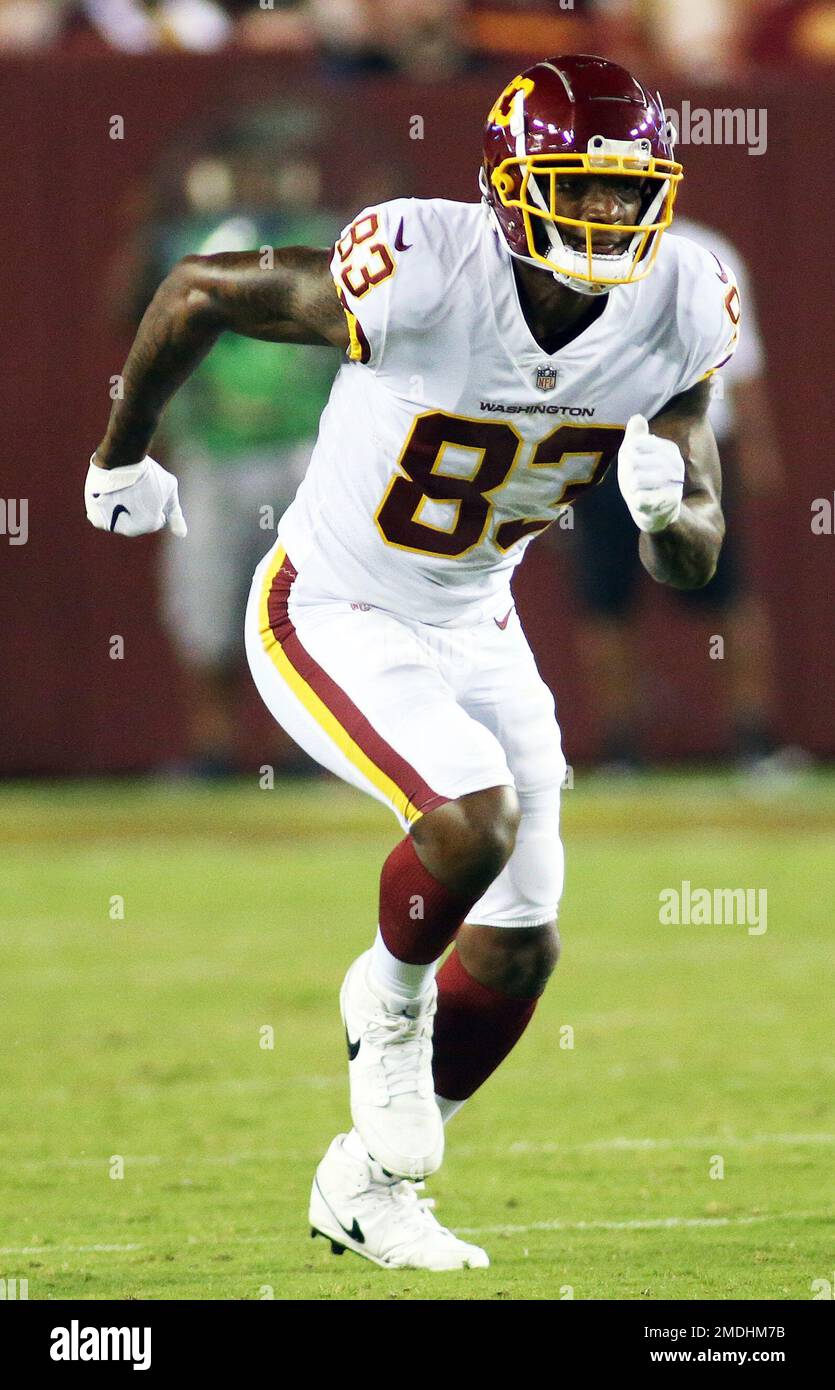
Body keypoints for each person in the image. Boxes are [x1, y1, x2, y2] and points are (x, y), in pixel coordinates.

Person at [85, 54, 739, 1271]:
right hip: (329, 603)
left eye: (624, 192)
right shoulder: (423, 266)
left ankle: (372, 1180)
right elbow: (196, 290)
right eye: (579, 190)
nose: (606, 218)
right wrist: (121, 458)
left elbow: (694, 562)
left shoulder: (680, 304)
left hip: (474, 620)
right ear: (510, 184)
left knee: (523, 939)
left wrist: (672, 513)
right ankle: (384, 1007)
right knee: (470, 819)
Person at [572, 215, 785, 770]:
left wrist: (758, 448)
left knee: (726, 593)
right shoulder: (572, 249)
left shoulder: (705, 252)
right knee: (606, 602)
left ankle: (752, 740)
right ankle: (621, 749)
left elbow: (743, 363)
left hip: (695, 440)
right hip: (604, 441)